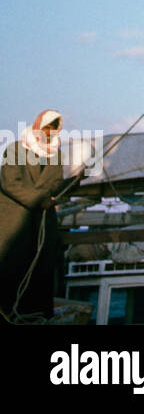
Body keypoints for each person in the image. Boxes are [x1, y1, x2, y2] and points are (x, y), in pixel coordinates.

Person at [0, 110, 67, 319]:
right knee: (12, 267)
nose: (49, 132)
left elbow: (55, 184)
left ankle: (35, 315)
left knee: (41, 269)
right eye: (46, 127)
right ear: (38, 126)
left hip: (42, 222)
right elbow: (10, 182)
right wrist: (40, 199)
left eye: (53, 128)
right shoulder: (15, 149)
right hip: (15, 221)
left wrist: (74, 181)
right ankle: (8, 313)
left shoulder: (56, 153)